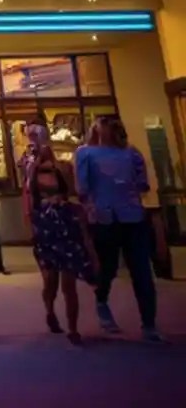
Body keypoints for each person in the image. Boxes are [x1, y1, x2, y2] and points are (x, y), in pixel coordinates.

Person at [76, 116, 163, 343]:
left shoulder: (130, 153)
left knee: (141, 271)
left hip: (130, 216)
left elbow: (142, 184)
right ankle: (102, 301)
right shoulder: (87, 153)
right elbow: (82, 188)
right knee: (109, 267)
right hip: (107, 216)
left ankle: (149, 323)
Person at [24, 149, 95, 346]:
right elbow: (30, 202)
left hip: (64, 225)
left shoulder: (63, 169)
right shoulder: (33, 174)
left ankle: (73, 328)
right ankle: (50, 311)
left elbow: (74, 192)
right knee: (51, 282)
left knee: (68, 284)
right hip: (46, 229)